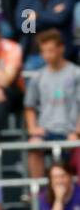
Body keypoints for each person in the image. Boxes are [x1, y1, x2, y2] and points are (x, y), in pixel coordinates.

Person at [23, 31, 80, 178]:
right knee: (34, 145)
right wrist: (33, 128)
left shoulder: (76, 73)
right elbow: (29, 106)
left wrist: (77, 131)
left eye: (50, 50)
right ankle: (37, 193)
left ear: (61, 48)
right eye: (43, 51)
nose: (46, 55)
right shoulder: (38, 76)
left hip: (70, 131)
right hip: (46, 131)